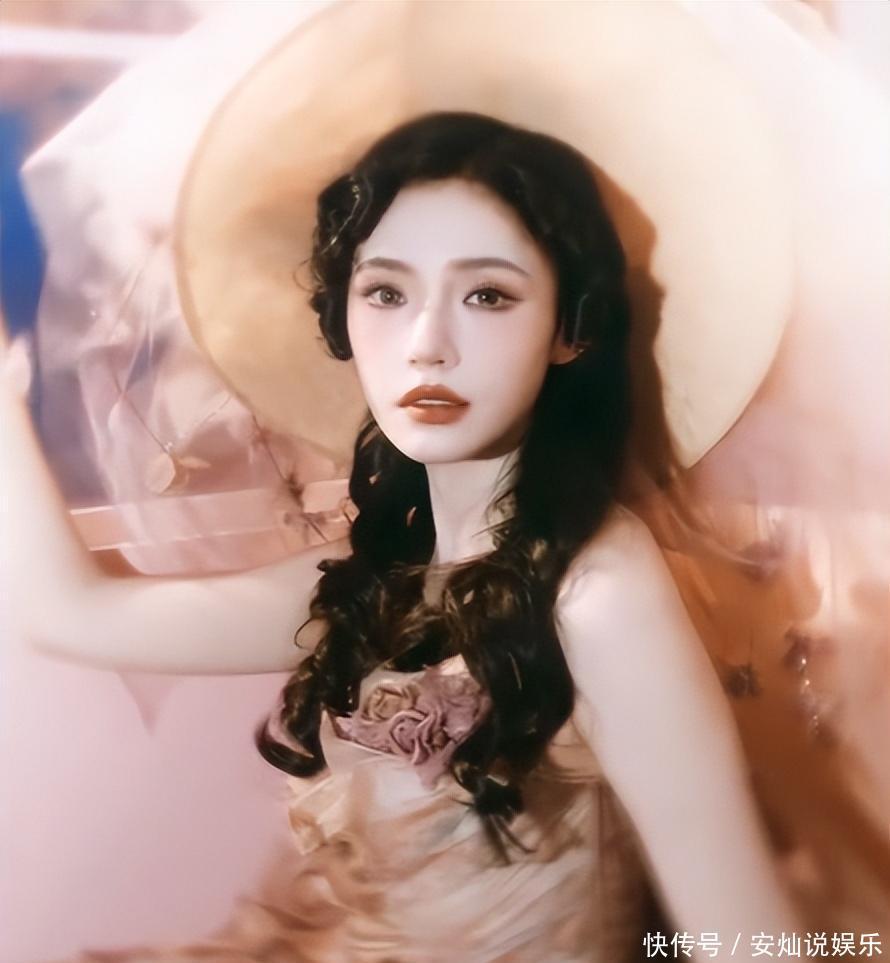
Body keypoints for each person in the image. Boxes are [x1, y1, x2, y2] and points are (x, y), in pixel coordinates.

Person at [3, 2, 888, 961]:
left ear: (570, 329)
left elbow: (747, 940)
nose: (426, 342)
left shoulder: (596, 593)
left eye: (488, 294)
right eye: (387, 291)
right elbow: (68, 614)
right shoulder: (382, 575)